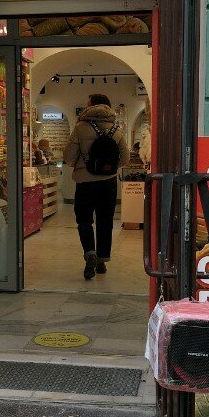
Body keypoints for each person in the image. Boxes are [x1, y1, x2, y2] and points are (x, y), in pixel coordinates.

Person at [63, 94, 129, 279]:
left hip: (85, 182)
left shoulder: (80, 127)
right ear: (108, 107)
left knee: (84, 220)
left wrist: (81, 164)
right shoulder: (116, 129)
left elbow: (68, 157)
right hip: (108, 182)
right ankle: (101, 261)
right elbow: (124, 158)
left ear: (90, 106)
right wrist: (109, 167)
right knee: (105, 221)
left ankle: (90, 253)